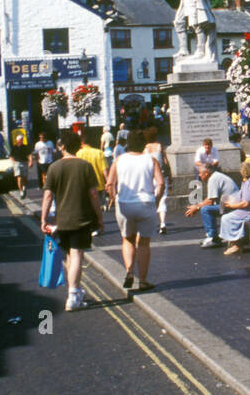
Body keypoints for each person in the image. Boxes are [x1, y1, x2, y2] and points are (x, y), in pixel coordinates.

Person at [40, 127, 104, 311]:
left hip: (62, 220)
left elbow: (47, 196)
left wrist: (44, 219)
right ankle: (73, 296)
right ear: (77, 146)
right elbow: (94, 195)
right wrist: (99, 219)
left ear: (62, 147)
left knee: (69, 255)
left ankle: (74, 291)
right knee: (76, 255)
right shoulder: (84, 166)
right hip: (81, 218)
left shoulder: (54, 167)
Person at [106, 129, 165, 292]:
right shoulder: (151, 160)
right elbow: (161, 184)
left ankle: (129, 271)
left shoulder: (119, 160)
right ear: (143, 144)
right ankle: (143, 280)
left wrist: (114, 198)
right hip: (146, 203)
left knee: (128, 239)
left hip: (124, 204)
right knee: (144, 243)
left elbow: (109, 184)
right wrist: (156, 200)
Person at [184, 162, 237, 246]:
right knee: (206, 208)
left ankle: (212, 238)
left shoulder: (213, 179)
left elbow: (210, 201)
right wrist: (197, 206)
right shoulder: (215, 176)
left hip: (232, 206)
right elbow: (210, 198)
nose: (199, 176)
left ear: (206, 173)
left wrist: (197, 207)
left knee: (205, 210)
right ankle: (214, 237)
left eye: (200, 173)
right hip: (231, 203)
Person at [218, 160, 250, 254]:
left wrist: (231, 205)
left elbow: (245, 203)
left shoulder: (249, 183)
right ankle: (240, 240)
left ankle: (236, 244)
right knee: (231, 214)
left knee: (226, 218)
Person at [143, 123, 172, 235]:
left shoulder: (145, 148)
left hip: (149, 177)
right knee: (162, 199)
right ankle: (163, 224)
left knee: (150, 199)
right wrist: (170, 175)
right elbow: (165, 162)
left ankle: (149, 222)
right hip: (162, 175)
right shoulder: (160, 146)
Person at [76, 129, 107, 193]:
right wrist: (109, 184)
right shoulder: (99, 152)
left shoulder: (77, 154)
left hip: (84, 187)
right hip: (99, 186)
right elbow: (105, 171)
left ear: (81, 142)